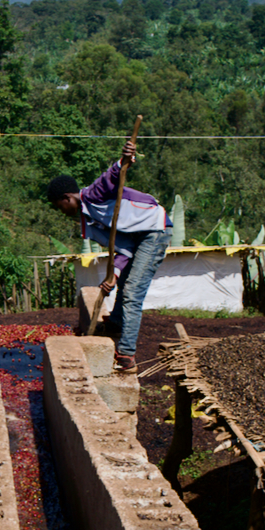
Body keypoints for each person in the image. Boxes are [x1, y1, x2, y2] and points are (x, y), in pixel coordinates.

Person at [46, 139, 172, 372]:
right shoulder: (89, 223)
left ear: (66, 198)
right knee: (124, 282)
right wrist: (113, 274)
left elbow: (111, 178)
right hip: (136, 238)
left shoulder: (92, 195)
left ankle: (126, 355)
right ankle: (114, 325)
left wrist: (124, 160)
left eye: (59, 205)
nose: (61, 211)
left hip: (154, 229)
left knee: (133, 292)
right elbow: (123, 247)